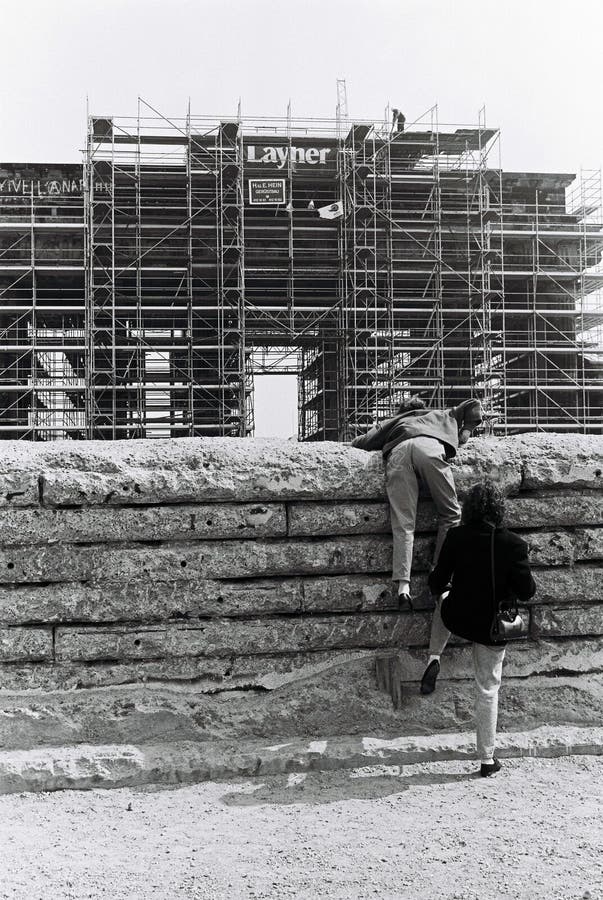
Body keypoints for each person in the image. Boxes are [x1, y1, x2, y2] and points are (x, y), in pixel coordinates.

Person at [351, 395, 483, 693]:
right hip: (428, 450)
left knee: (403, 523)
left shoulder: (395, 422)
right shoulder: (440, 414)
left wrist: (370, 433)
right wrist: (466, 431)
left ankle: (403, 586)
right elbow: (473, 405)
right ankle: (440, 569)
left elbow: (362, 442)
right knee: (450, 513)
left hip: (398, 453)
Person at [428, 480, 536, 777]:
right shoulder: (514, 545)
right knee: (488, 688)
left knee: (443, 596)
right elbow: (528, 592)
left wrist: (445, 587)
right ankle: (487, 760)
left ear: (470, 508)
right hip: (491, 627)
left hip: (458, 618)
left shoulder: (456, 536)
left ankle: (433, 656)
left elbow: (436, 582)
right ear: (499, 509)